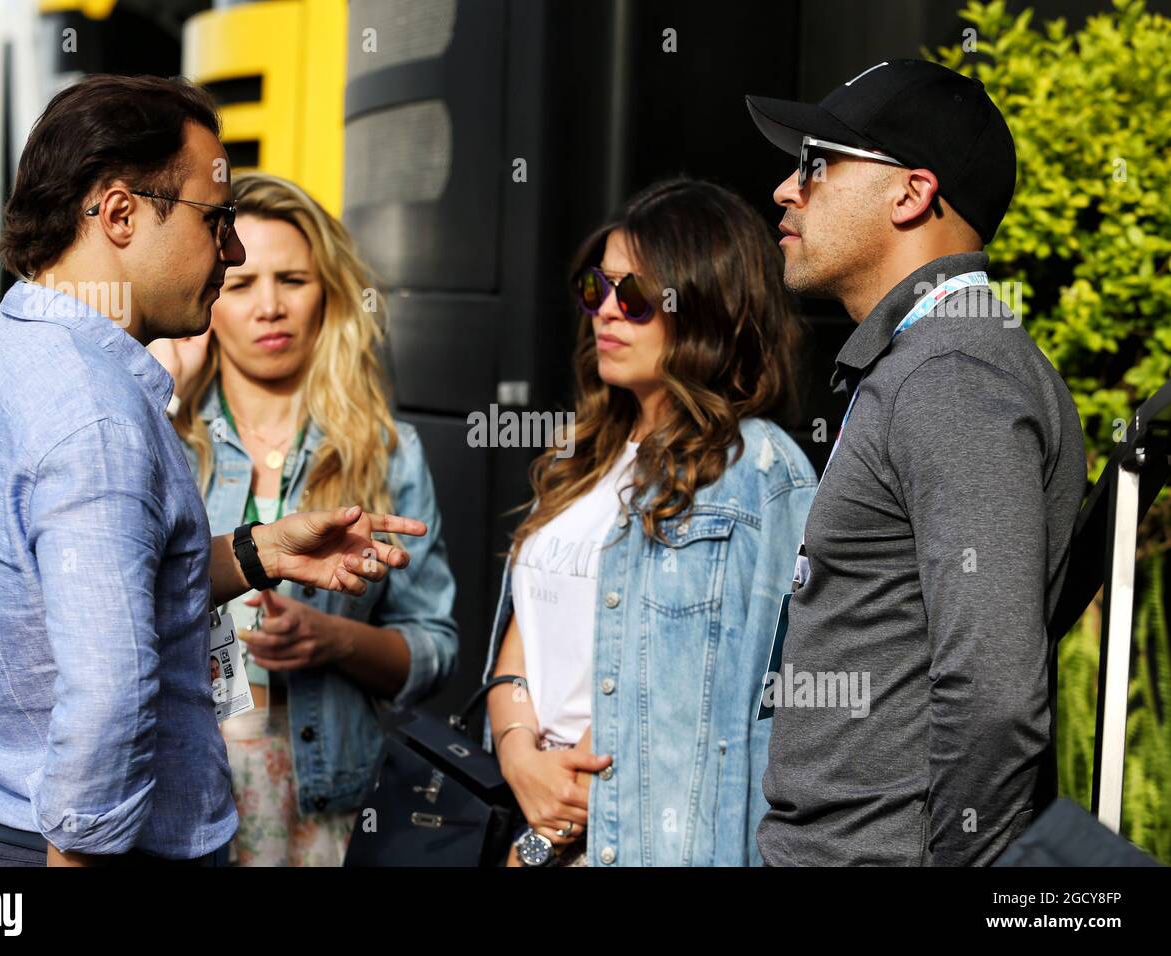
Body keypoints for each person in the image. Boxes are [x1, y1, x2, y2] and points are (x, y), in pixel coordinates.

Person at [0, 74, 426, 868]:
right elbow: (108, 693)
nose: (234, 251)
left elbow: (70, 594)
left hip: (1, 821)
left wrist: (258, 551)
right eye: (218, 221)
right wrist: (82, 854)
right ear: (118, 214)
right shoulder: (96, 414)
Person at [745, 58, 1087, 865]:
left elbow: (997, 698)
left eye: (818, 164)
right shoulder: (927, 362)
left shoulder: (952, 376)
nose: (786, 190)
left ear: (912, 193)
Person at [482, 177, 816, 867]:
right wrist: (520, 757)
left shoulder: (759, 474)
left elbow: (776, 721)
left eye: (633, 296)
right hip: (537, 831)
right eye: (594, 290)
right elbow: (527, 626)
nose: (605, 312)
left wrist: (561, 816)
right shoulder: (586, 454)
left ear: (708, 307)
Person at [151, 172, 457, 866]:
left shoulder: (386, 452)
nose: (269, 307)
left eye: (293, 279)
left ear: (329, 296)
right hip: (185, 784)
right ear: (208, 298)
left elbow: (435, 649)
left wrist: (333, 640)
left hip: (335, 799)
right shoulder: (165, 441)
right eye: (240, 283)